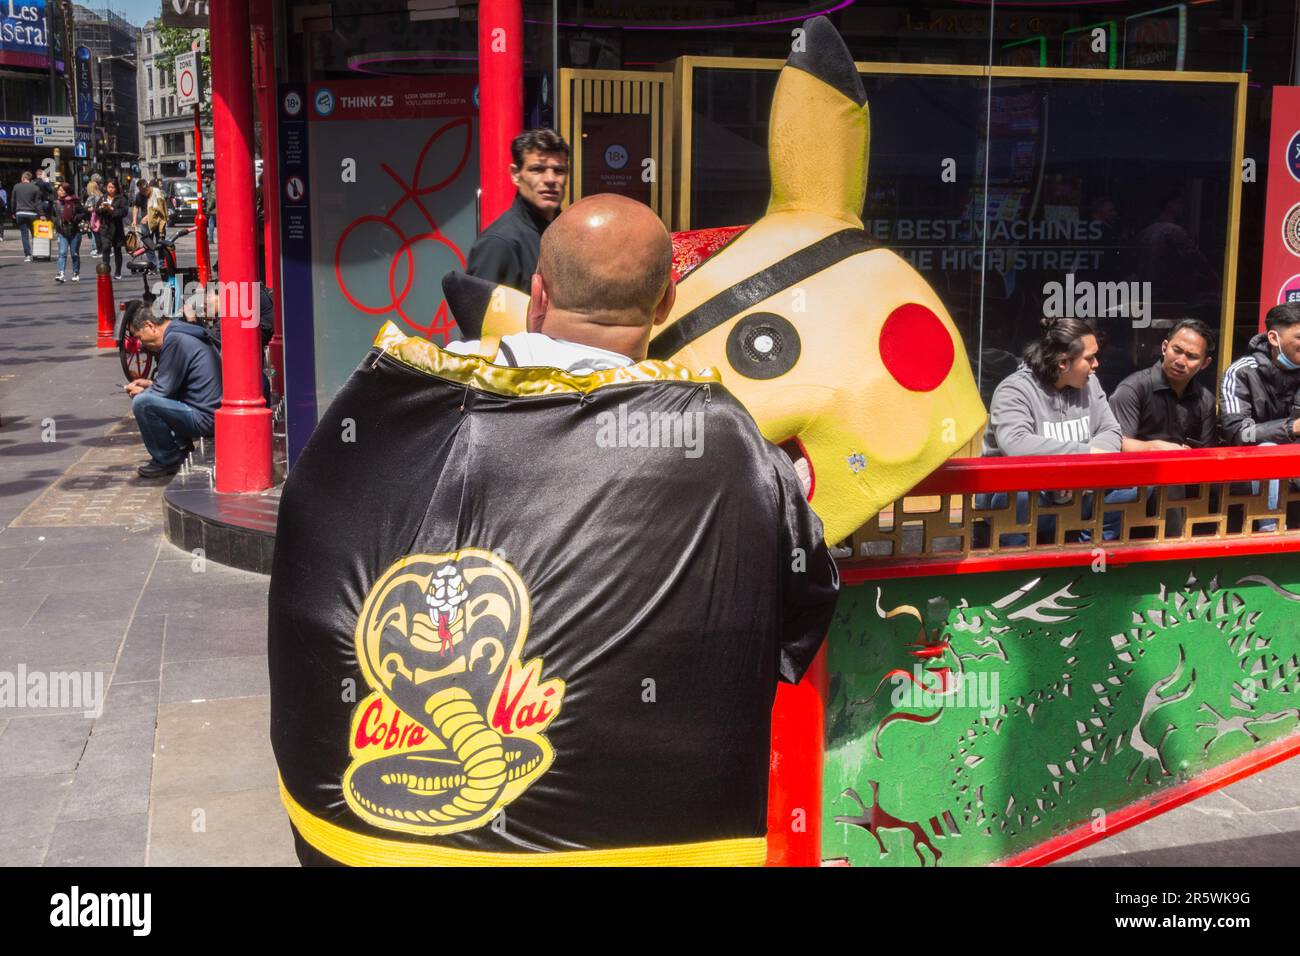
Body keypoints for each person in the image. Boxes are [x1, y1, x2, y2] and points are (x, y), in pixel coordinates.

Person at [271, 193, 840, 865]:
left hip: (350, 841)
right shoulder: (720, 442)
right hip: (647, 848)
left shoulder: (381, 403)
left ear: (536, 294)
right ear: (665, 305)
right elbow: (801, 616)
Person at [978, 317, 1123, 545]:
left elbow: (1111, 430)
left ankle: (1087, 552)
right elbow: (1016, 444)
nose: (1097, 364)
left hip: (1080, 492)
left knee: (1137, 487)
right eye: (1090, 358)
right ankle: (1017, 571)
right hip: (1030, 497)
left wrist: (1081, 472)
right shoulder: (1014, 390)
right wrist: (1083, 457)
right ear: (1063, 362)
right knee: (1016, 497)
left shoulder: (1090, 384)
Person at [1220, 302, 1300, 528]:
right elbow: (1237, 432)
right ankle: (1269, 530)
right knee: (1268, 451)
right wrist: (1291, 427)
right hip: (1249, 473)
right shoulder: (1242, 372)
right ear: (1274, 338)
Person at [124, 301, 223, 478]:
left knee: (143, 403)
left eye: (139, 336)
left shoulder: (175, 340)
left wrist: (143, 392)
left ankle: (168, 459)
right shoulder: (180, 331)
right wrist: (150, 384)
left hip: (205, 418)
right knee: (150, 396)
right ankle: (182, 446)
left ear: (150, 326)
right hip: (211, 411)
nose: (140, 343)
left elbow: (163, 392)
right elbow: (171, 382)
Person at [465, 128, 570, 293]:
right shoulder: (499, 243)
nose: (550, 179)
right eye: (537, 169)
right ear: (515, 174)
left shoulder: (572, 233)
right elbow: (477, 315)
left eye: (559, 170)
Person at [1110, 318, 1218, 451]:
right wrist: (1151, 448)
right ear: (1164, 347)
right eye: (1177, 350)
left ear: (1204, 363)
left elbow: (1208, 454)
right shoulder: (1132, 390)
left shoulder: (1206, 400)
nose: (1180, 361)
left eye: (1192, 357)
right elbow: (1115, 445)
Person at [51, 183, 88, 283]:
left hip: (74, 231)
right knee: (62, 253)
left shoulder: (75, 202)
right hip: (62, 232)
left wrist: (75, 218)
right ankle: (61, 273)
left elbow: (84, 213)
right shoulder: (56, 203)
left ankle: (75, 272)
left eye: (63, 190)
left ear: (68, 191)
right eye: (59, 190)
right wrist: (56, 221)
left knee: (74, 253)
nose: (60, 192)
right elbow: (52, 215)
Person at [97, 179, 129, 280]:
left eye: (112, 187)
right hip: (105, 227)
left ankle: (118, 272)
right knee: (106, 248)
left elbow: (124, 212)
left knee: (117, 249)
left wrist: (112, 209)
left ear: (116, 188)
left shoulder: (121, 198)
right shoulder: (103, 197)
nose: (110, 189)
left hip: (117, 227)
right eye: (109, 187)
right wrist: (102, 208)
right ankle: (106, 270)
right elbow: (96, 210)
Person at [12, 172, 43, 261]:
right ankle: (36, 253)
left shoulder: (16, 186)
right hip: (32, 213)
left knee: (24, 235)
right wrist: (41, 214)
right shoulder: (35, 188)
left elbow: (13, 200)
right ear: (30, 179)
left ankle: (28, 255)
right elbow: (38, 203)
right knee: (35, 234)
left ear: (23, 178)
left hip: (20, 213)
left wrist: (13, 212)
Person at [85, 177, 104, 258]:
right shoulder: (101, 195)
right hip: (101, 217)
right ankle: (103, 250)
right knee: (101, 234)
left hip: (94, 217)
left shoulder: (92, 197)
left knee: (96, 234)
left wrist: (88, 208)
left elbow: (87, 207)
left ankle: (99, 250)